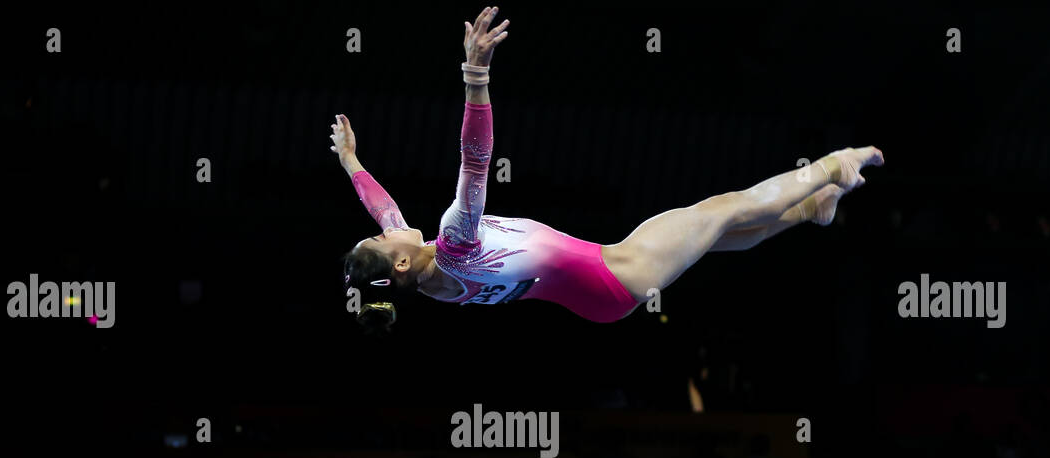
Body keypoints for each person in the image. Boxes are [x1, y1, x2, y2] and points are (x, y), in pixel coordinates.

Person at [333, 7, 881, 330]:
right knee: (722, 209)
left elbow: (385, 216)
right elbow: (475, 166)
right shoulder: (454, 242)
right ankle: (834, 167)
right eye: (384, 239)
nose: (388, 226)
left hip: (605, 295)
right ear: (401, 261)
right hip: (618, 270)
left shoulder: (426, 282)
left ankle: (812, 208)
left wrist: (353, 162)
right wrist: (476, 75)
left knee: (723, 236)